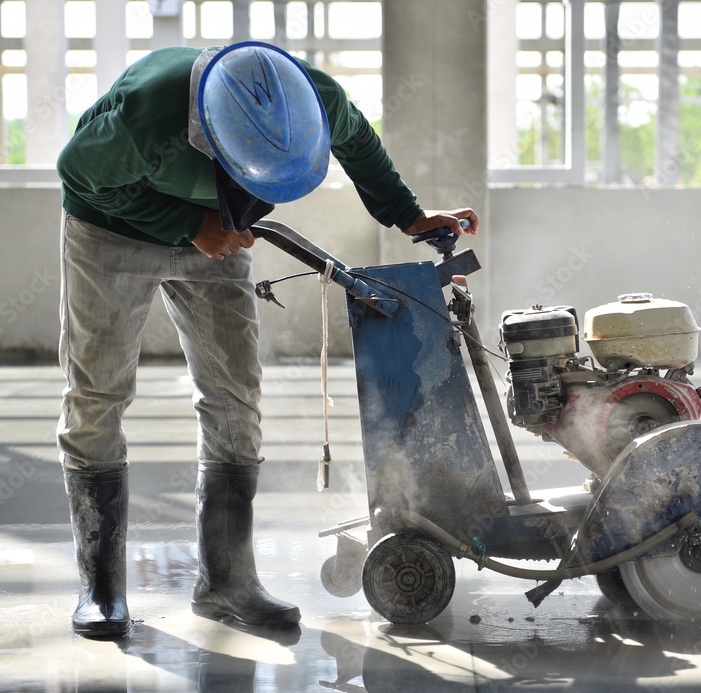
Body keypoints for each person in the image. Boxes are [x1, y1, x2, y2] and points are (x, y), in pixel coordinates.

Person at [55, 41, 478, 638]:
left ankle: (227, 581)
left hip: (218, 226)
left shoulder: (312, 97)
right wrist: (187, 225)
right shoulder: (149, 117)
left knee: (235, 396)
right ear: (212, 142)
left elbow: (357, 141)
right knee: (98, 394)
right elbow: (77, 173)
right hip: (111, 227)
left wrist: (409, 216)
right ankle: (100, 588)